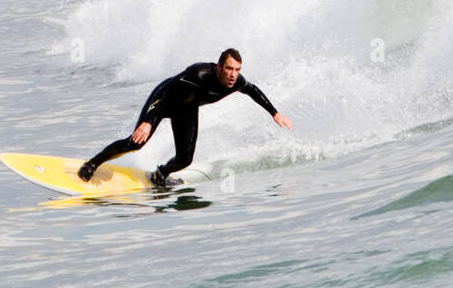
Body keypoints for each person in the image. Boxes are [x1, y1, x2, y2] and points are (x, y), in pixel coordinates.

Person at [77, 48, 292, 188]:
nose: (233, 74)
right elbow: (165, 92)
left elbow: (253, 91)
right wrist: (148, 121)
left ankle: (160, 174)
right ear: (219, 67)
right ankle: (92, 164)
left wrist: (274, 113)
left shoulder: (236, 82)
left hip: (187, 109)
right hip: (163, 102)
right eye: (228, 68)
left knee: (185, 159)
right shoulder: (197, 74)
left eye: (237, 69)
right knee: (135, 143)